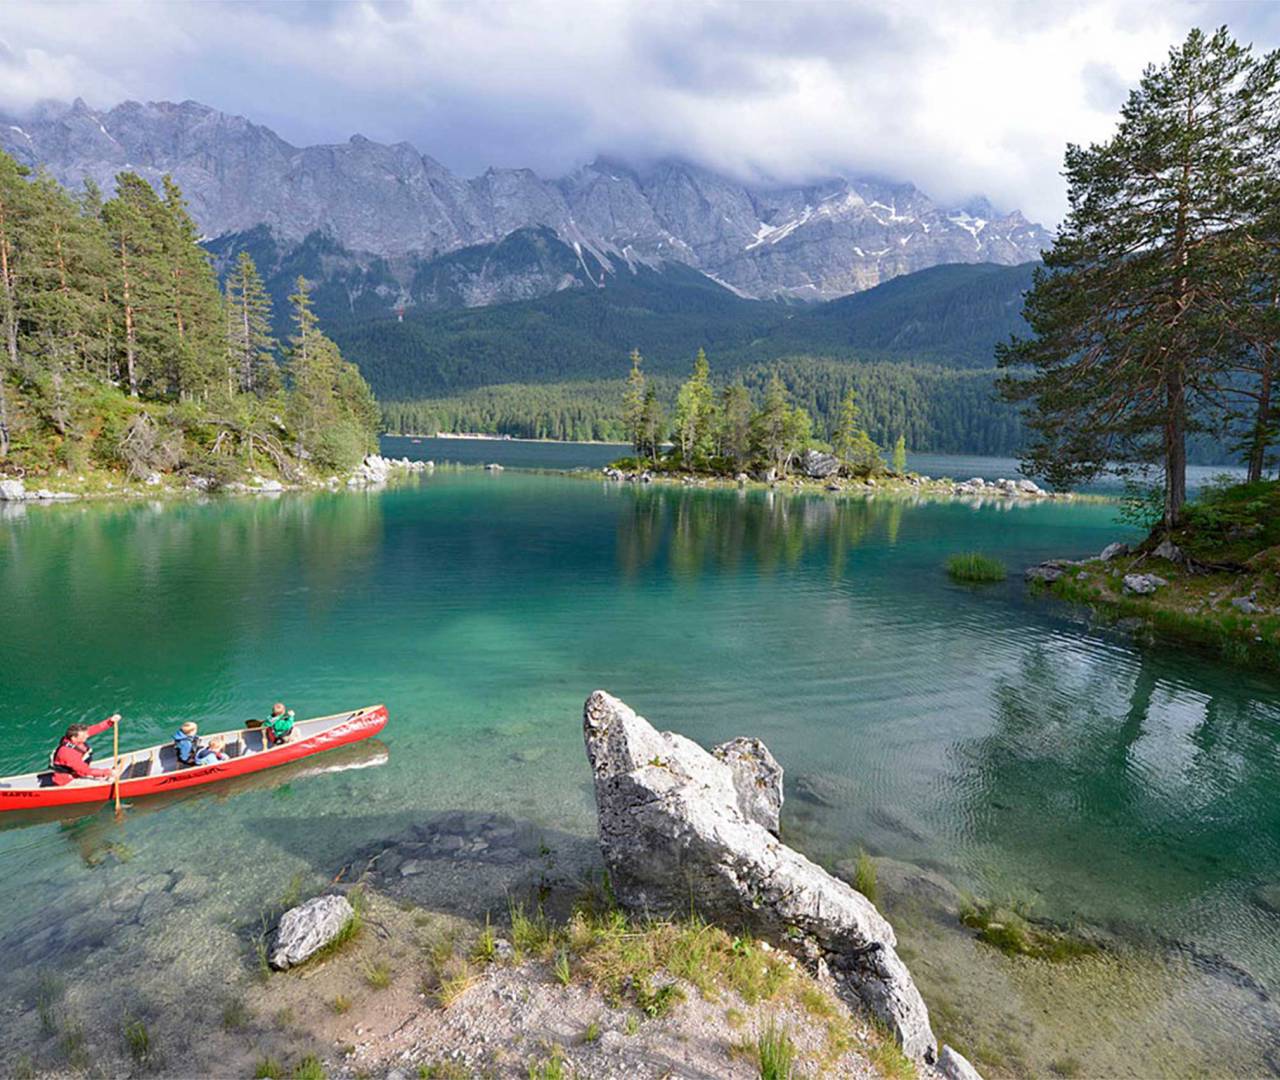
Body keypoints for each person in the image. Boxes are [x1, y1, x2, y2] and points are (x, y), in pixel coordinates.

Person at [49, 713, 122, 786]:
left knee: (103, 775)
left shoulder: (76, 738)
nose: (87, 735)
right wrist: (108, 772)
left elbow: (96, 728)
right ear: (73, 738)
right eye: (84, 735)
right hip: (68, 780)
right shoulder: (67, 753)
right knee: (105, 783)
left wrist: (110, 721)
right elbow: (85, 770)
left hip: (78, 772)